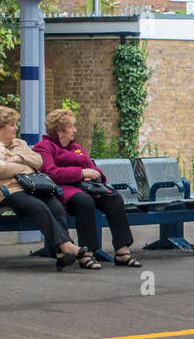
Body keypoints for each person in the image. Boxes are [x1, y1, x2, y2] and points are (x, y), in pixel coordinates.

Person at [34, 108, 142, 268]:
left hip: (87, 186)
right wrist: (81, 173)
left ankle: (122, 250)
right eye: (71, 126)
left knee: (114, 198)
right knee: (85, 202)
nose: (74, 130)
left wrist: (95, 174)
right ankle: (87, 253)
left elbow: (93, 168)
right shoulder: (44, 147)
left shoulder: (76, 148)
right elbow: (51, 173)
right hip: (63, 189)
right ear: (59, 131)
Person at [0, 105, 81, 270]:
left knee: (56, 206)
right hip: (2, 192)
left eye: (15, 123)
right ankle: (66, 246)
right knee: (37, 206)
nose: (16, 128)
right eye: (12, 124)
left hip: (28, 188)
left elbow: (38, 160)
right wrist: (25, 168)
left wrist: (18, 158)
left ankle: (60, 253)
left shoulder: (19, 143)